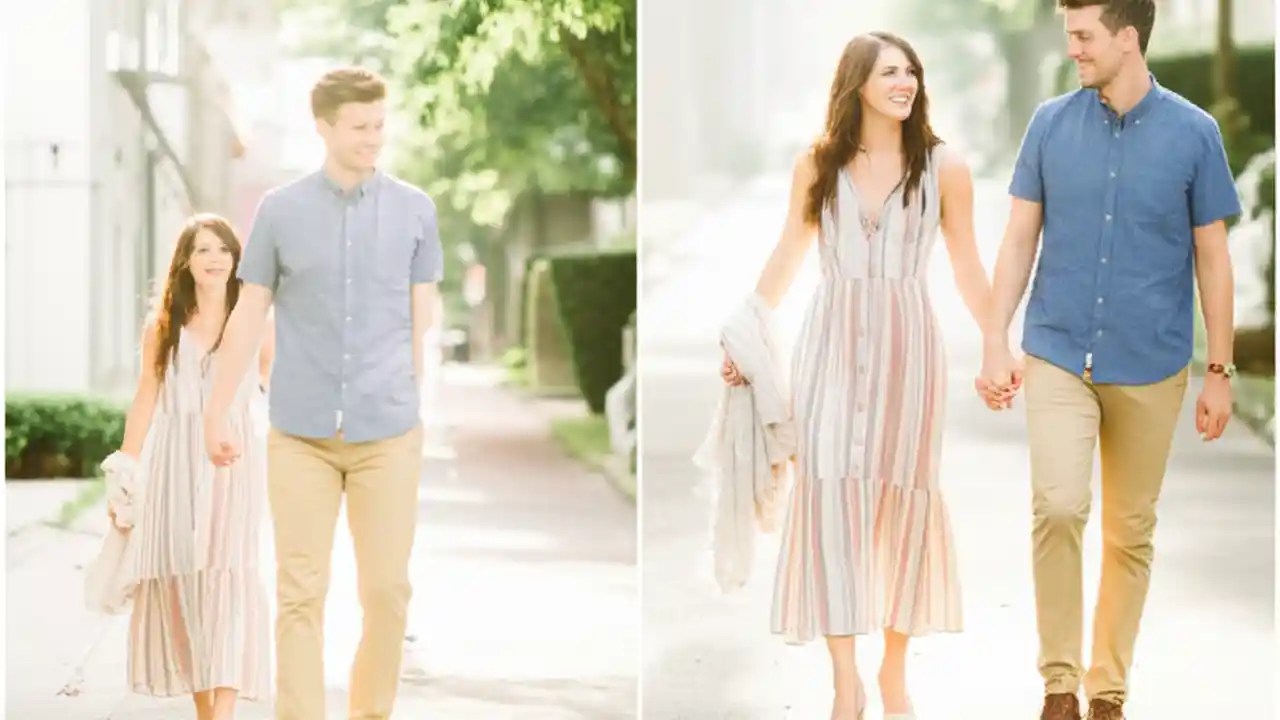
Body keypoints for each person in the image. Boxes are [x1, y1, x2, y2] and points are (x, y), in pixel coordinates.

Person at [721, 31, 998, 720]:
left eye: (910, 71)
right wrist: (747, 332)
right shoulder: (819, 164)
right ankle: (846, 680)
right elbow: (791, 249)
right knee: (833, 502)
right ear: (856, 85)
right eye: (888, 72)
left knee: (904, 501)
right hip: (831, 348)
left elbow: (966, 264)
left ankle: (894, 672)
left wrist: (998, 343)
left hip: (912, 353)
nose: (903, 82)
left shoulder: (944, 167)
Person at [977, 2, 1240, 719]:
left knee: (1130, 532)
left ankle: (1107, 691)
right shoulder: (1049, 126)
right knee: (1058, 507)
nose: (1074, 51)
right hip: (1059, 348)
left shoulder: (1194, 134)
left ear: (1129, 38)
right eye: (1070, 36)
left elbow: (1213, 260)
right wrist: (995, 337)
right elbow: (1018, 237)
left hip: (1152, 363)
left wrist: (1220, 371)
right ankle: (1060, 685)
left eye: (1085, 37)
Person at [202, 67, 443, 720]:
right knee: (299, 594)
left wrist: (423, 404)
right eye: (360, 127)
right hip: (301, 432)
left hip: (388, 432)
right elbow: (250, 312)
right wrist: (218, 407)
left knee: (388, 592)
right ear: (325, 126)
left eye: (379, 126)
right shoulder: (280, 211)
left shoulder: (415, 209)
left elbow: (423, 316)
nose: (373, 138)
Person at [113, 214, 274, 720]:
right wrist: (126, 467)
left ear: (236, 258)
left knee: (228, 577)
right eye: (202, 249)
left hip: (232, 462)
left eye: (223, 248)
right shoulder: (165, 328)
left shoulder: (256, 325)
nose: (214, 258)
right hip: (173, 465)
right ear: (185, 261)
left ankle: (221, 712)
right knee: (185, 580)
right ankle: (207, 710)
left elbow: (277, 389)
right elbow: (145, 397)